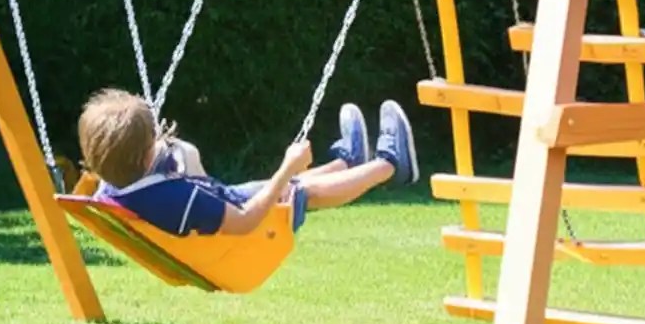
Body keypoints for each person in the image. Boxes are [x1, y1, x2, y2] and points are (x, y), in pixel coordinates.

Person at [76, 88, 418, 236]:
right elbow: (242, 221)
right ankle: (390, 164)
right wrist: (288, 168)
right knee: (300, 189)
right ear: (141, 155)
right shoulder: (174, 200)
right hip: (237, 230)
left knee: (295, 185)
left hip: (221, 200)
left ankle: (348, 164)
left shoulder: (113, 183)